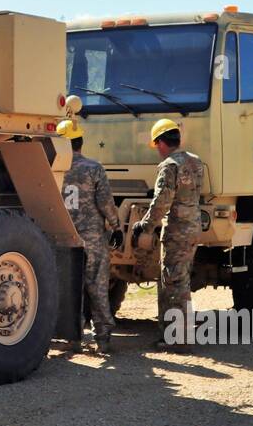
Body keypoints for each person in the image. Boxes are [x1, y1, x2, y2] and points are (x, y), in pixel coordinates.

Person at [131, 119, 205, 352]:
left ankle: (179, 338)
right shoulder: (195, 161)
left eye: (157, 145)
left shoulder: (169, 166)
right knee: (179, 279)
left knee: (174, 282)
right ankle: (171, 334)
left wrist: (145, 225)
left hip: (176, 231)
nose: (158, 151)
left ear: (162, 142)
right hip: (193, 227)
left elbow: (162, 202)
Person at [59, 117, 123, 353]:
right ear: (81, 141)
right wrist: (116, 226)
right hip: (93, 238)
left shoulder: (51, 168)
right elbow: (105, 202)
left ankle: (72, 337)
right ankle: (103, 338)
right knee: (97, 285)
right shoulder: (93, 168)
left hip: (63, 237)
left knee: (68, 287)